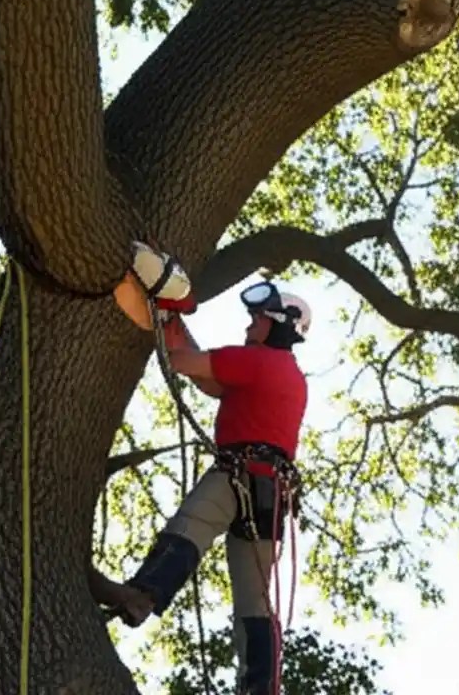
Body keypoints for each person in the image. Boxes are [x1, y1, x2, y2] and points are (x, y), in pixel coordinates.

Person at [91, 281, 311, 695]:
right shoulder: (285, 373)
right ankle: (260, 686)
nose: (250, 324)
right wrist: (173, 321)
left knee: (191, 524)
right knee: (255, 599)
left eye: (258, 319)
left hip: (239, 475)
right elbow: (209, 381)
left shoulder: (260, 361)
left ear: (277, 326)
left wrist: (165, 319)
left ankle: (143, 594)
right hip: (271, 497)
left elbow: (182, 362)